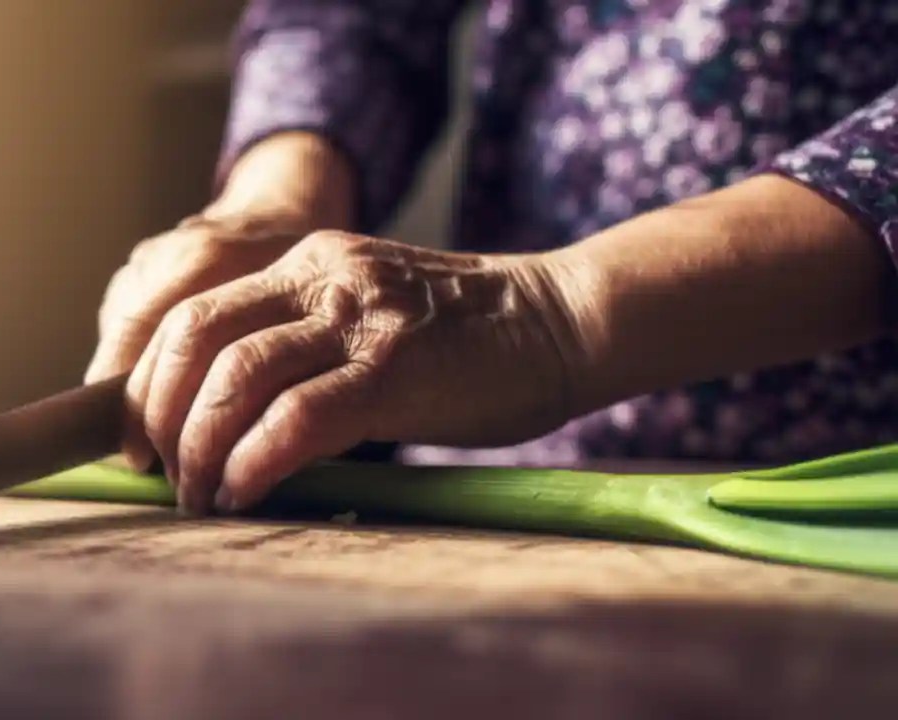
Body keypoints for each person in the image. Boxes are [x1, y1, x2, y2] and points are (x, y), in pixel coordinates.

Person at [85, 1, 898, 517]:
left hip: (844, 499)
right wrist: (274, 206)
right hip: (474, 485)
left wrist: (554, 313)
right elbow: (348, 18)